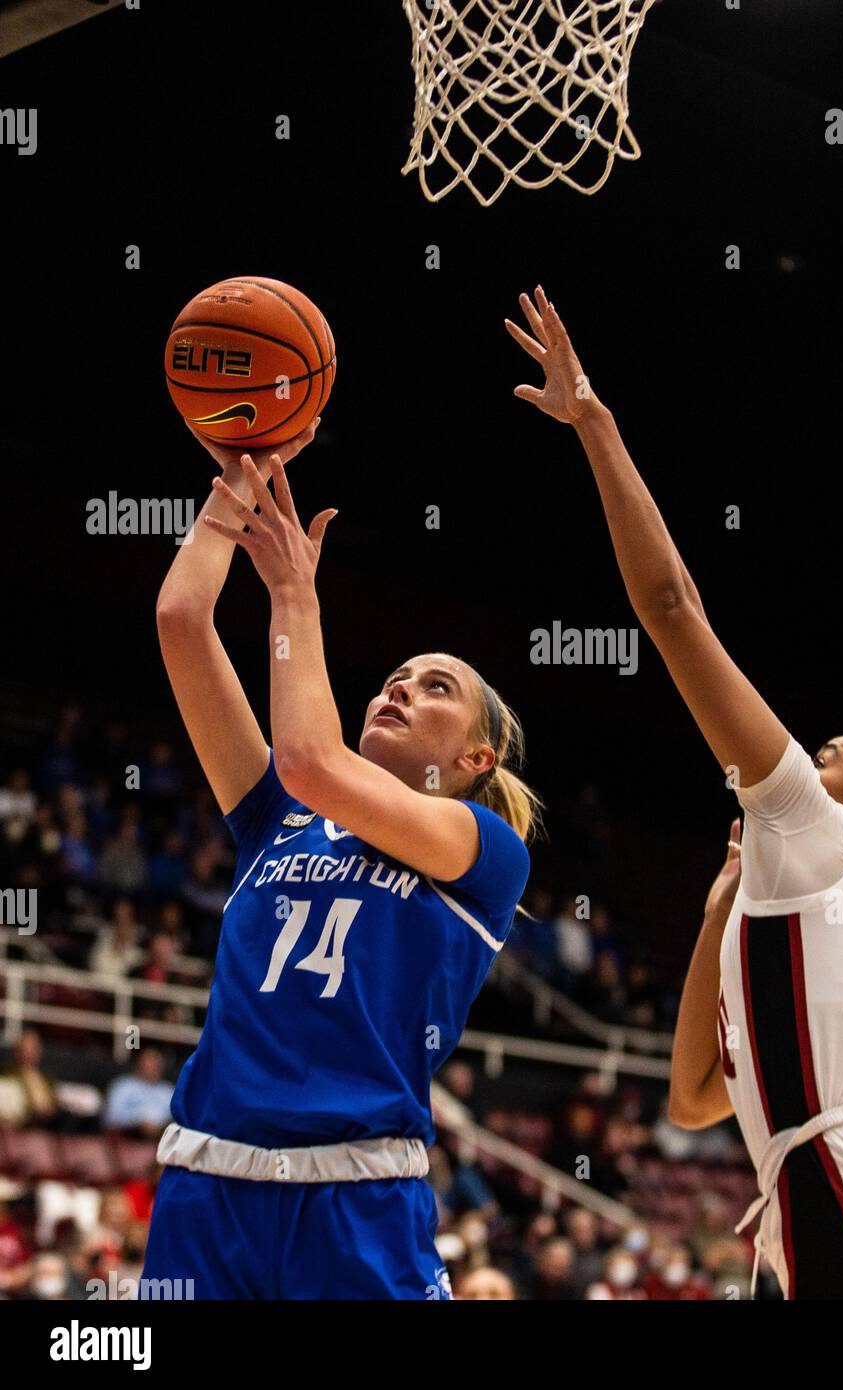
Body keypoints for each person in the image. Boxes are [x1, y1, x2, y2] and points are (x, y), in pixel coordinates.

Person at [507, 286, 843, 1300]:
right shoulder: (841, 899)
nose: (800, 764)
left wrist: (594, 424)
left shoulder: (822, 835)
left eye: (825, 755)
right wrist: (713, 914)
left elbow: (669, 606)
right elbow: (692, 1099)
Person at [140, 422, 537, 1299]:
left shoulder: (482, 851)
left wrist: (295, 597)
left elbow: (312, 758)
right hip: (206, 1185)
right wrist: (230, 497)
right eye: (398, 673)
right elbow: (180, 622)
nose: (401, 685)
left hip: (357, 1195)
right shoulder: (273, 821)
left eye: (438, 688)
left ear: (477, 760)